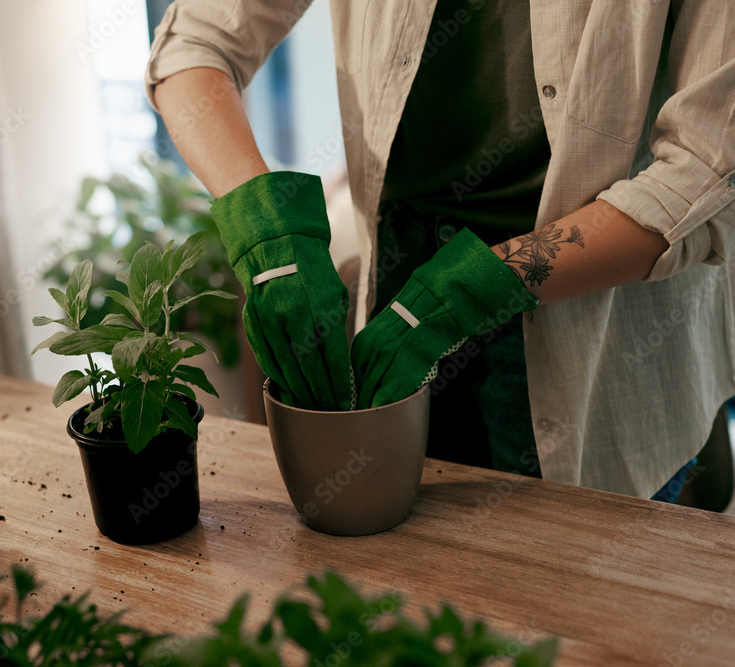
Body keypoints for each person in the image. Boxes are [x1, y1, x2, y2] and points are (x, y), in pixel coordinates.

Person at [144, 1, 735, 502]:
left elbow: (708, 169)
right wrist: (262, 228)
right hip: (398, 282)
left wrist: (473, 286)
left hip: (604, 327)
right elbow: (195, 42)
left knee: (584, 614)